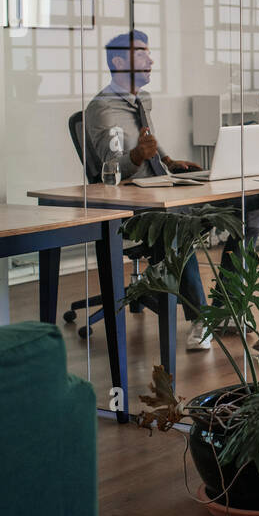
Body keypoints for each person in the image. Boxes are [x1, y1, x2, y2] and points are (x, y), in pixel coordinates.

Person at [84, 30, 211, 350]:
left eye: (148, 52)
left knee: (235, 212)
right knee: (177, 223)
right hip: (127, 203)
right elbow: (110, 169)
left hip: (156, 188)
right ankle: (202, 318)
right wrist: (139, 155)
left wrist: (168, 159)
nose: (150, 59)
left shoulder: (141, 100)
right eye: (141, 53)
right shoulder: (104, 109)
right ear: (118, 61)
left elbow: (147, 138)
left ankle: (227, 306)